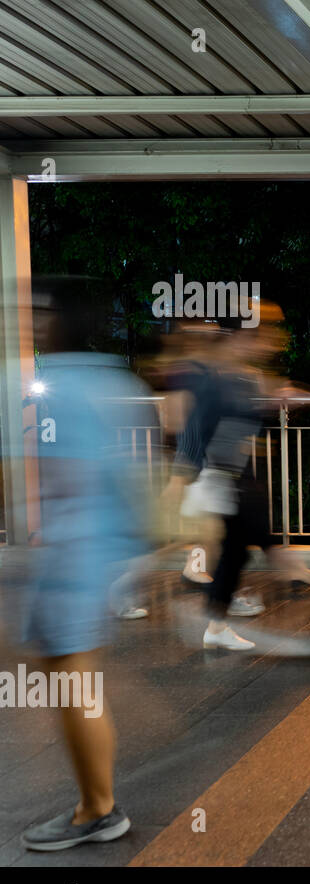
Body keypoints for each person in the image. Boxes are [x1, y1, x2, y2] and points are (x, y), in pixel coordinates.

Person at [19, 277, 151, 851]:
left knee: (72, 680)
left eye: (37, 312)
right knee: (70, 678)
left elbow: (68, 474)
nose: (28, 322)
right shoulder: (111, 379)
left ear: (59, 319)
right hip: (98, 549)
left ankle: (97, 809)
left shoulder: (56, 386)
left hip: (72, 557)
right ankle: (93, 802)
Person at [168, 303, 310, 651]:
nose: (267, 341)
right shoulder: (213, 377)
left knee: (236, 551)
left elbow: (251, 411)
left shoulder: (244, 375)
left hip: (234, 475)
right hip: (217, 475)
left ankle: (218, 621)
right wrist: (180, 479)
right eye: (259, 334)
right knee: (240, 545)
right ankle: (285, 567)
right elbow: (194, 430)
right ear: (238, 336)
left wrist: (280, 399)